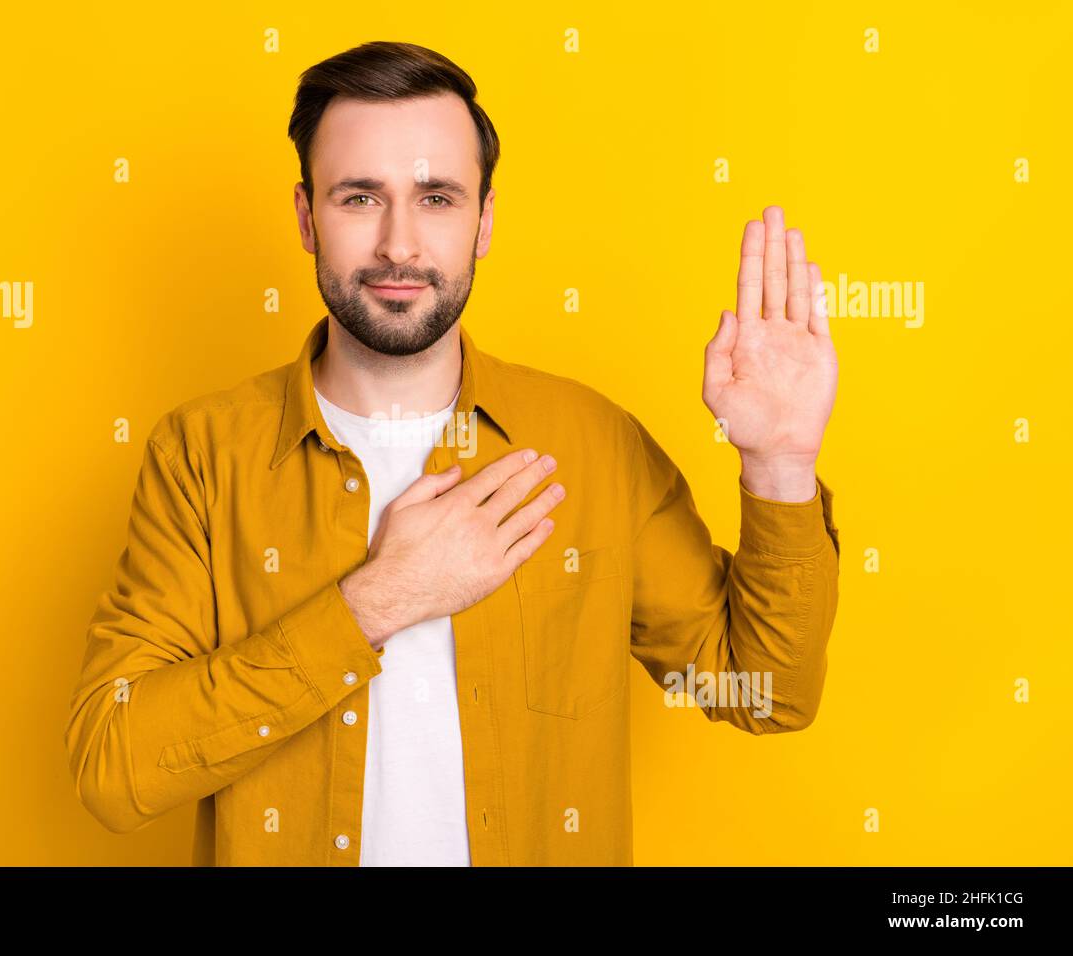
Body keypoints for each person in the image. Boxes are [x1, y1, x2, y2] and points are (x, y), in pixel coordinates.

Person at [64, 40, 840, 867]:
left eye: (436, 197)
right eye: (361, 197)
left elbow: (766, 694)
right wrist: (374, 602)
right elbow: (114, 766)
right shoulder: (202, 453)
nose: (400, 245)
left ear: (485, 220)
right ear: (304, 216)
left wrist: (782, 467)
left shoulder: (592, 445)